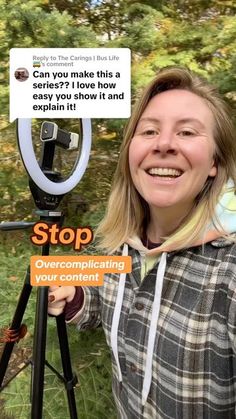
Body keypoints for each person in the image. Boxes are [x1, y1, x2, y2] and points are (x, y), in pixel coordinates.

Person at [48, 66, 236, 419]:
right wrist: (75, 299)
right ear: (131, 153)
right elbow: (115, 307)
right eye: (149, 130)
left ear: (215, 161)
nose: (163, 144)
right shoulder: (120, 242)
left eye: (187, 131)